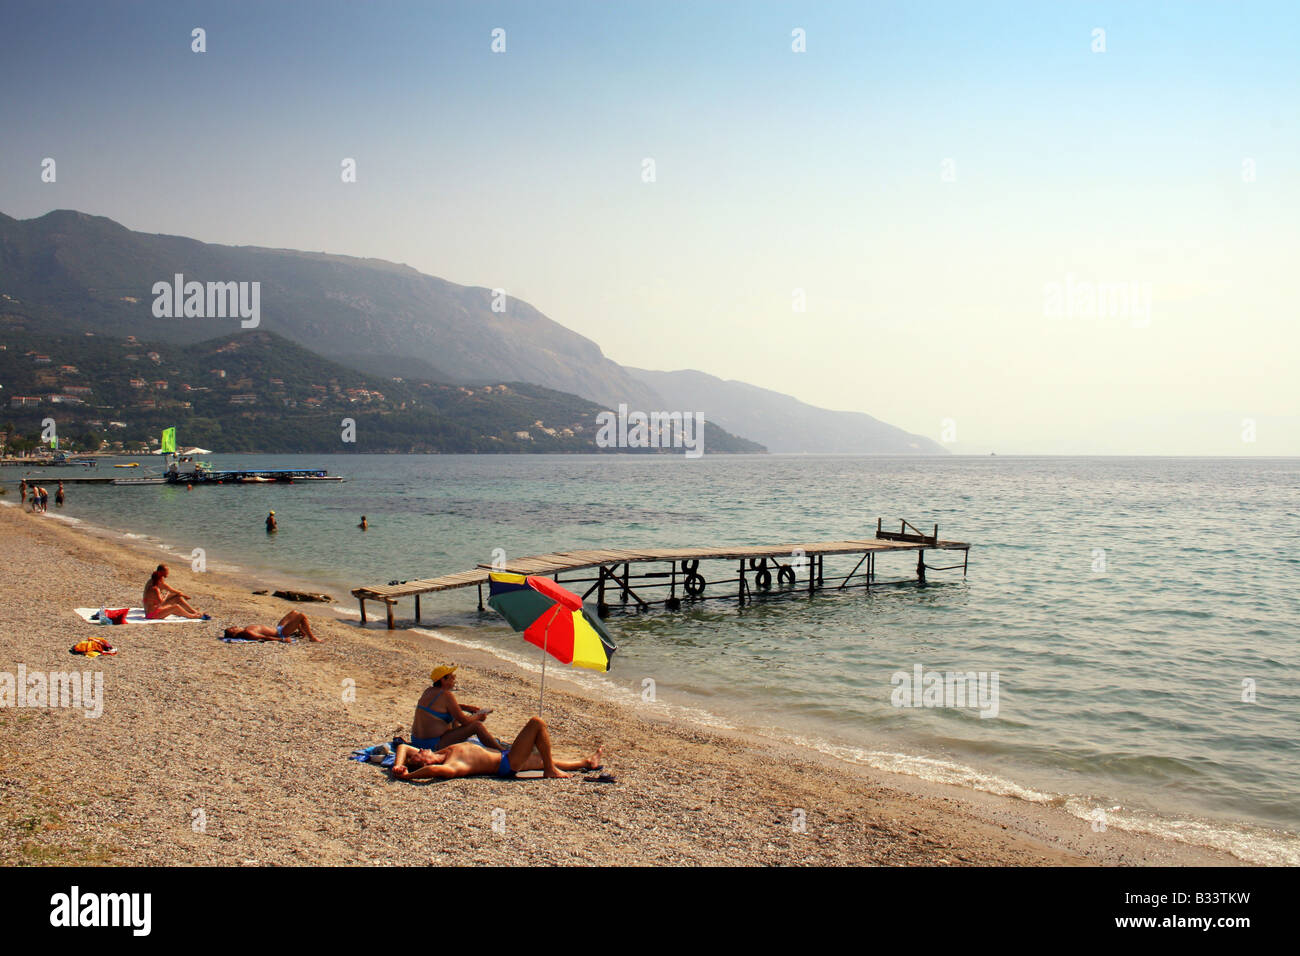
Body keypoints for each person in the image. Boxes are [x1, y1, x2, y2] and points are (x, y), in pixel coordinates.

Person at [391, 717, 601, 781]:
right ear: (424, 762)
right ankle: (550, 770)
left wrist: (398, 766)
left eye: (419, 752)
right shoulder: (451, 765)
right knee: (536, 723)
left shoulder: (442, 752)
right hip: (506, 764)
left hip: (504, 757)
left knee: (540, 760)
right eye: (420, 755)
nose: (420, 751)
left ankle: (585, 763)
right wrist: (408, 776)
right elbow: (433, 771)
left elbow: (403, 748)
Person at [411, 666, 504, 751]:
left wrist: (465, 707)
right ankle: (503, 752)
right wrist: (479, 716)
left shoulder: (428, 691)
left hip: (417, 740)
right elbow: (465, 721)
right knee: (477, 726)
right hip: (432, 744)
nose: (454, 678)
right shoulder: (446, 694)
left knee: (454, 717)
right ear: (443, 680)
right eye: (451, 676)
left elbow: (440, 708)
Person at [222, 610, 321, 643]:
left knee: (294, 612)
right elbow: (264, 637)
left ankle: (302, 632)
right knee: (301, 616)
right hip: (281, 633)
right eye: (233, 628)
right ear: (234, 633)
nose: (235, 626)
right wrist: (281, 640)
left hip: (278, 628)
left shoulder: (246, 630)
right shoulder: (247, 633)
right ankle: (312, 638)